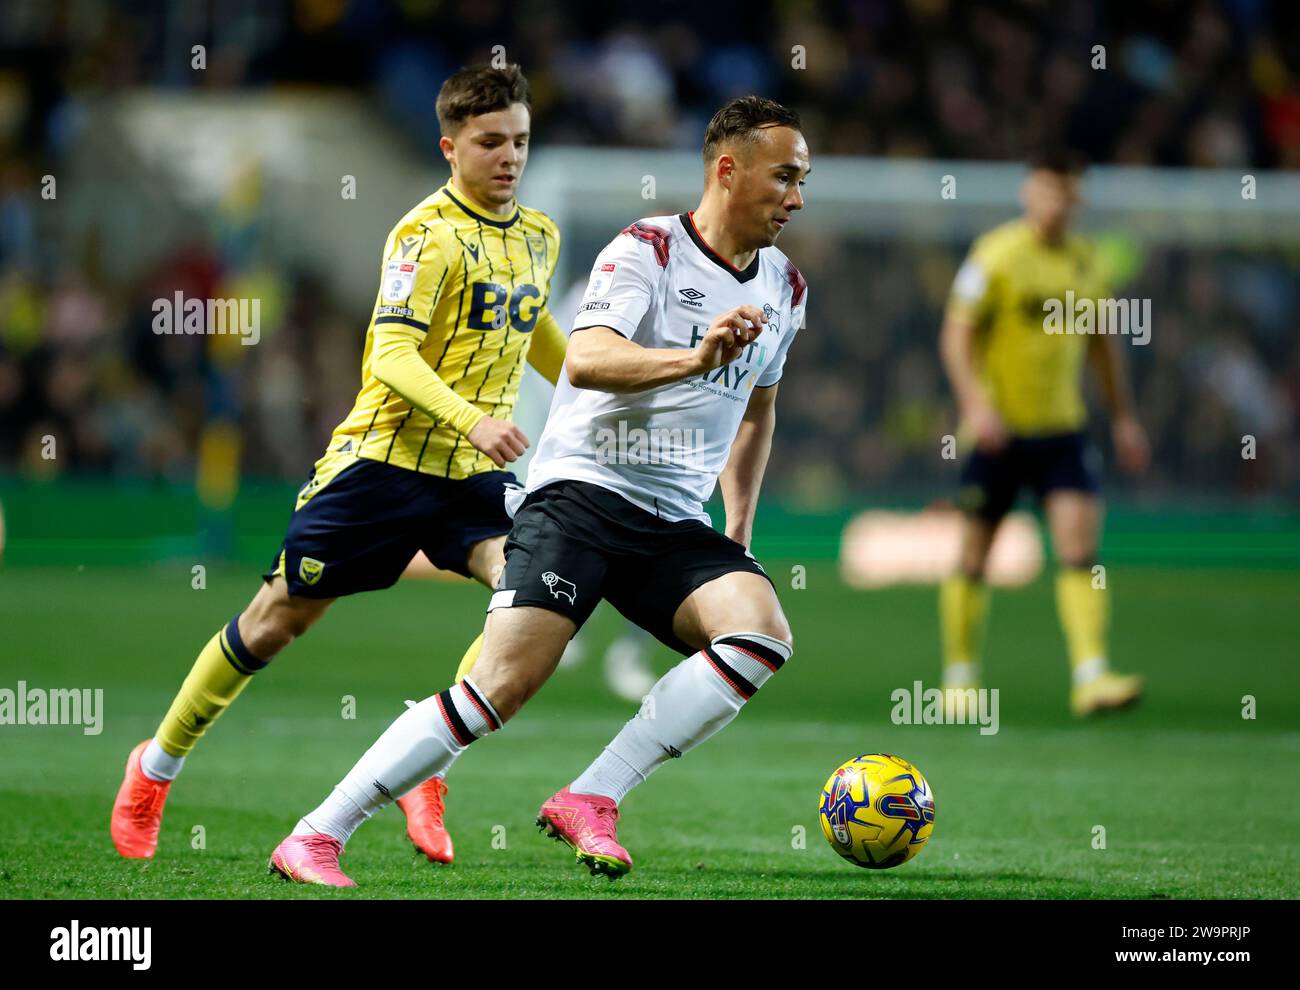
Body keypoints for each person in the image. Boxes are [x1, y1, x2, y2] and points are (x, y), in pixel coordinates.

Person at [267, 95, 811, 886]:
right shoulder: (647, 251)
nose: (797, 198)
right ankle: (317, 833)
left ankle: (592, 796)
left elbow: (759, 410)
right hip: (581, 498)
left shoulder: (787, 289)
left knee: (760, 635)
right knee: (497, 690)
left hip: (672, 521)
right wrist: (692, 359)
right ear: (729, 170)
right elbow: (587, 359)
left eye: (803, 181)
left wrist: (739, 529)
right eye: (785, 178)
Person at [111, 64, 568, 866]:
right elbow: (389, 353)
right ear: (450, 147)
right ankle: (156, 766)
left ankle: (431, 761)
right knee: (277, 620)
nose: (509, 157)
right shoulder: (422, 236)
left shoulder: (538, 234)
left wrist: (603, 392)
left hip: (471, 474)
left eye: (520, 141)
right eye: (491, 142)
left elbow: (536, 333)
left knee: (528, 594)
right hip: (382, 463)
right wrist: (473, 417)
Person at [937, 149, 1150, 717]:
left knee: (1080, 551)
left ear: (1077, 199)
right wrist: (977, 406)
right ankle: (958, 682)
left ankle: (1091, 678)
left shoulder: (1088, 262)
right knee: (974, 557)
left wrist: (1124, 416)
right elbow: (956, 337)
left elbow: (1104, 346)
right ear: (1029, 193)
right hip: (996, 434)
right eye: (1046, 191)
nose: (1054, 204)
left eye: (1065, 193)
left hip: (1062, 430)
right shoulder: (997, 254)